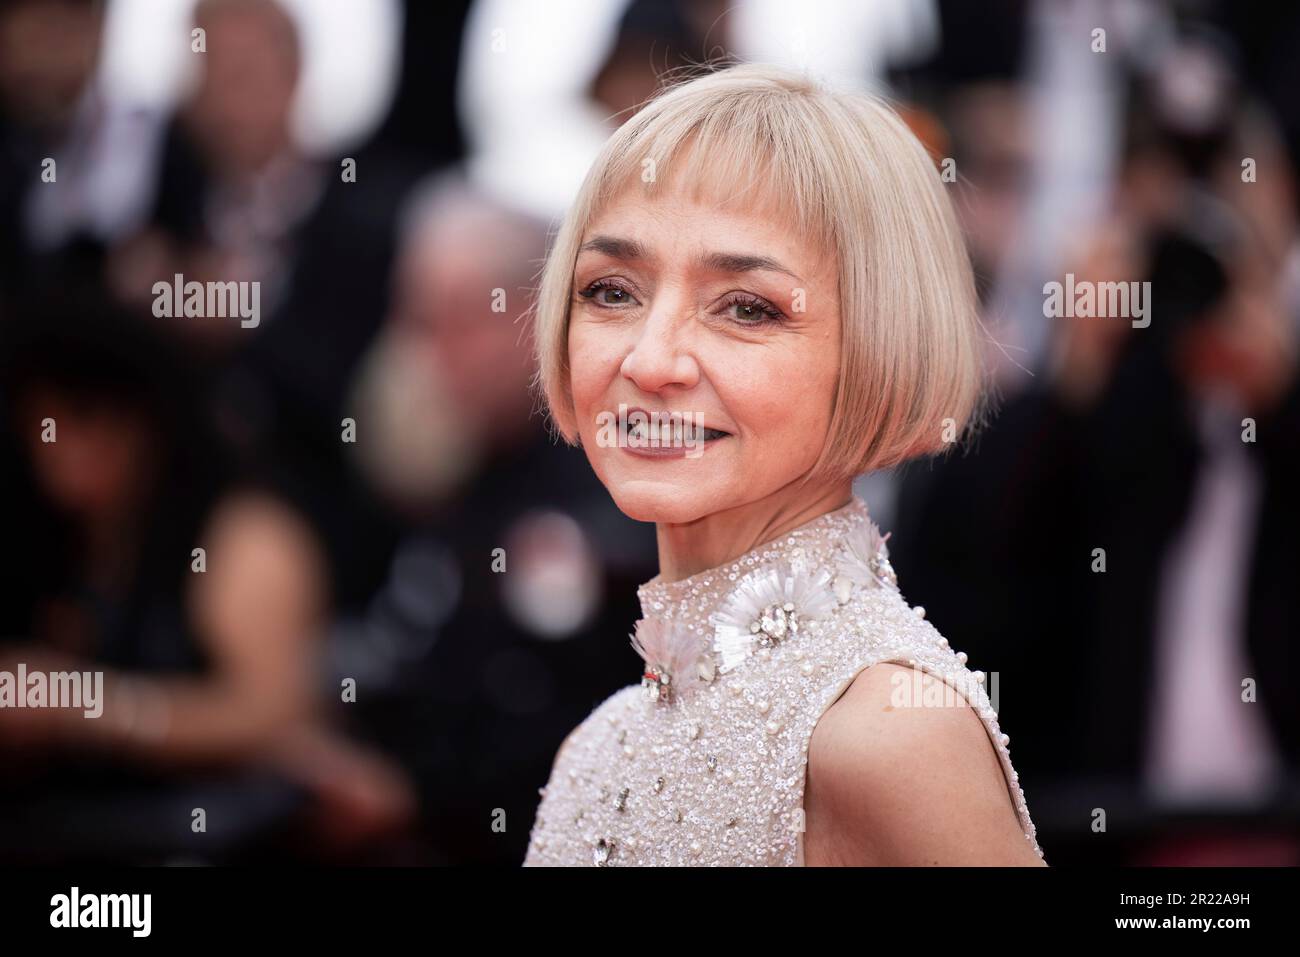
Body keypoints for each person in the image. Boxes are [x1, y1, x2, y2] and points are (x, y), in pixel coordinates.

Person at [522, 63, 1046, 866]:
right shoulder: (594, 748)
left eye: (746, 307)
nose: (651, 358)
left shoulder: (890, 732)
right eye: (612, 291)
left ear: (880, 349)